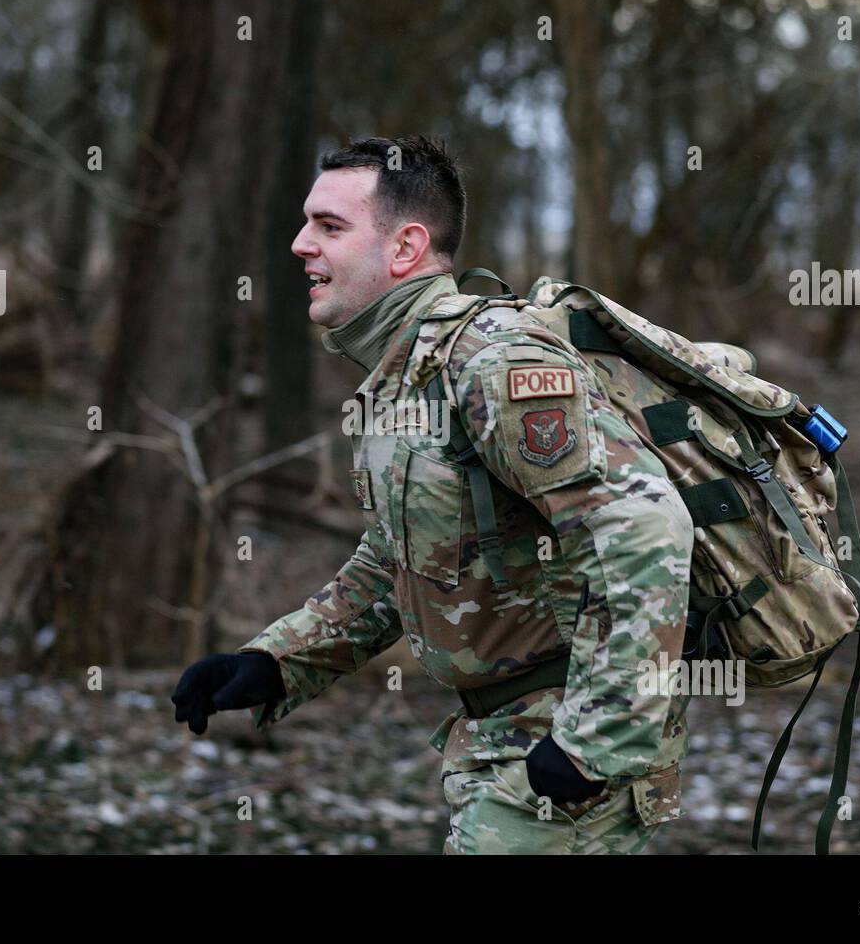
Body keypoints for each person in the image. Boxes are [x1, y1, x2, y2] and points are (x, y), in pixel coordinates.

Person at [171, 134, 694, 854]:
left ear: (406, 247)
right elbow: (398, 562)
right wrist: (275, 661)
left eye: (329, 226)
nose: (299, 245)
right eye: (306, 223)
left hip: (562, 749)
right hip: (498, 743)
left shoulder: (495, 362)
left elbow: (646, 530)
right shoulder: (408, 375)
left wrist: (596, 742)